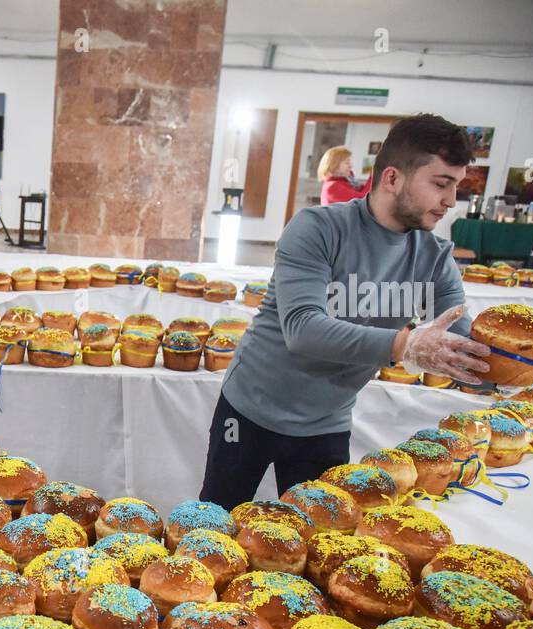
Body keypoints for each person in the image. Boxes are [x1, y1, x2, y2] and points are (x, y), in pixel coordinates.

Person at [199, 113, 489, 509]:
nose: (451, 201)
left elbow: (460, 340)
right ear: (392, 179)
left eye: (455, 186)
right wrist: (406, 345)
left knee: (319, 542)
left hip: (326, 425)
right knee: (216, 524)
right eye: (441, 184)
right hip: (250, 408)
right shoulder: (317, 228)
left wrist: (507, 362)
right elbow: (303, 329)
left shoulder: (435, 258)